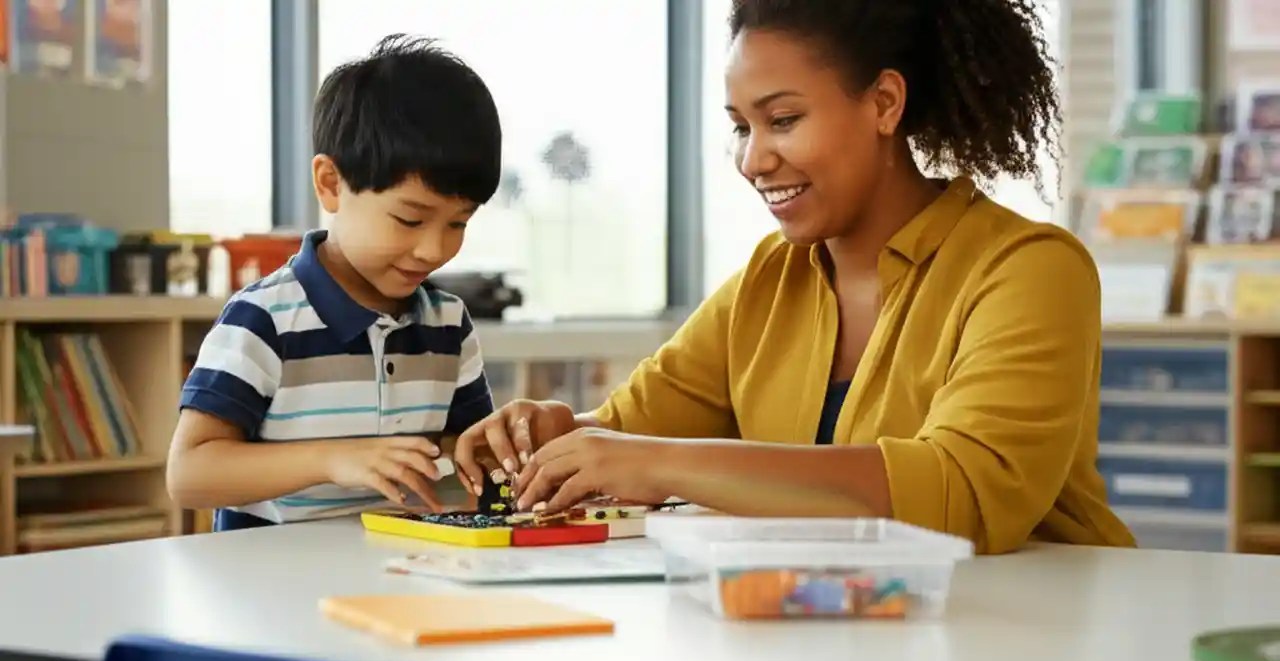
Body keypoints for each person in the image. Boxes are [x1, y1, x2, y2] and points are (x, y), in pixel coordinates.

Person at [455, 0, 1136, 554]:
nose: (753, 160)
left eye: (782, 120)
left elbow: (964, 494)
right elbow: (629, 432)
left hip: (1029, 634)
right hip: (840, 631)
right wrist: (556, 435)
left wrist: (651, 462)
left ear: (884, 103)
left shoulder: (1029, 270)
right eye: (741, 127)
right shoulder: (769, 280)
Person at [167, 35, 500, 530]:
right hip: (269, 571)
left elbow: (468, 451)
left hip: (397, 565)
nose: (434, 250)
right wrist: (332, 458)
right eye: (410, 220)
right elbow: (189, 474)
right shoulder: (264, 319)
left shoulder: (448, 323)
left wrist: (503, 447)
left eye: (458, 223)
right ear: (330, 184)